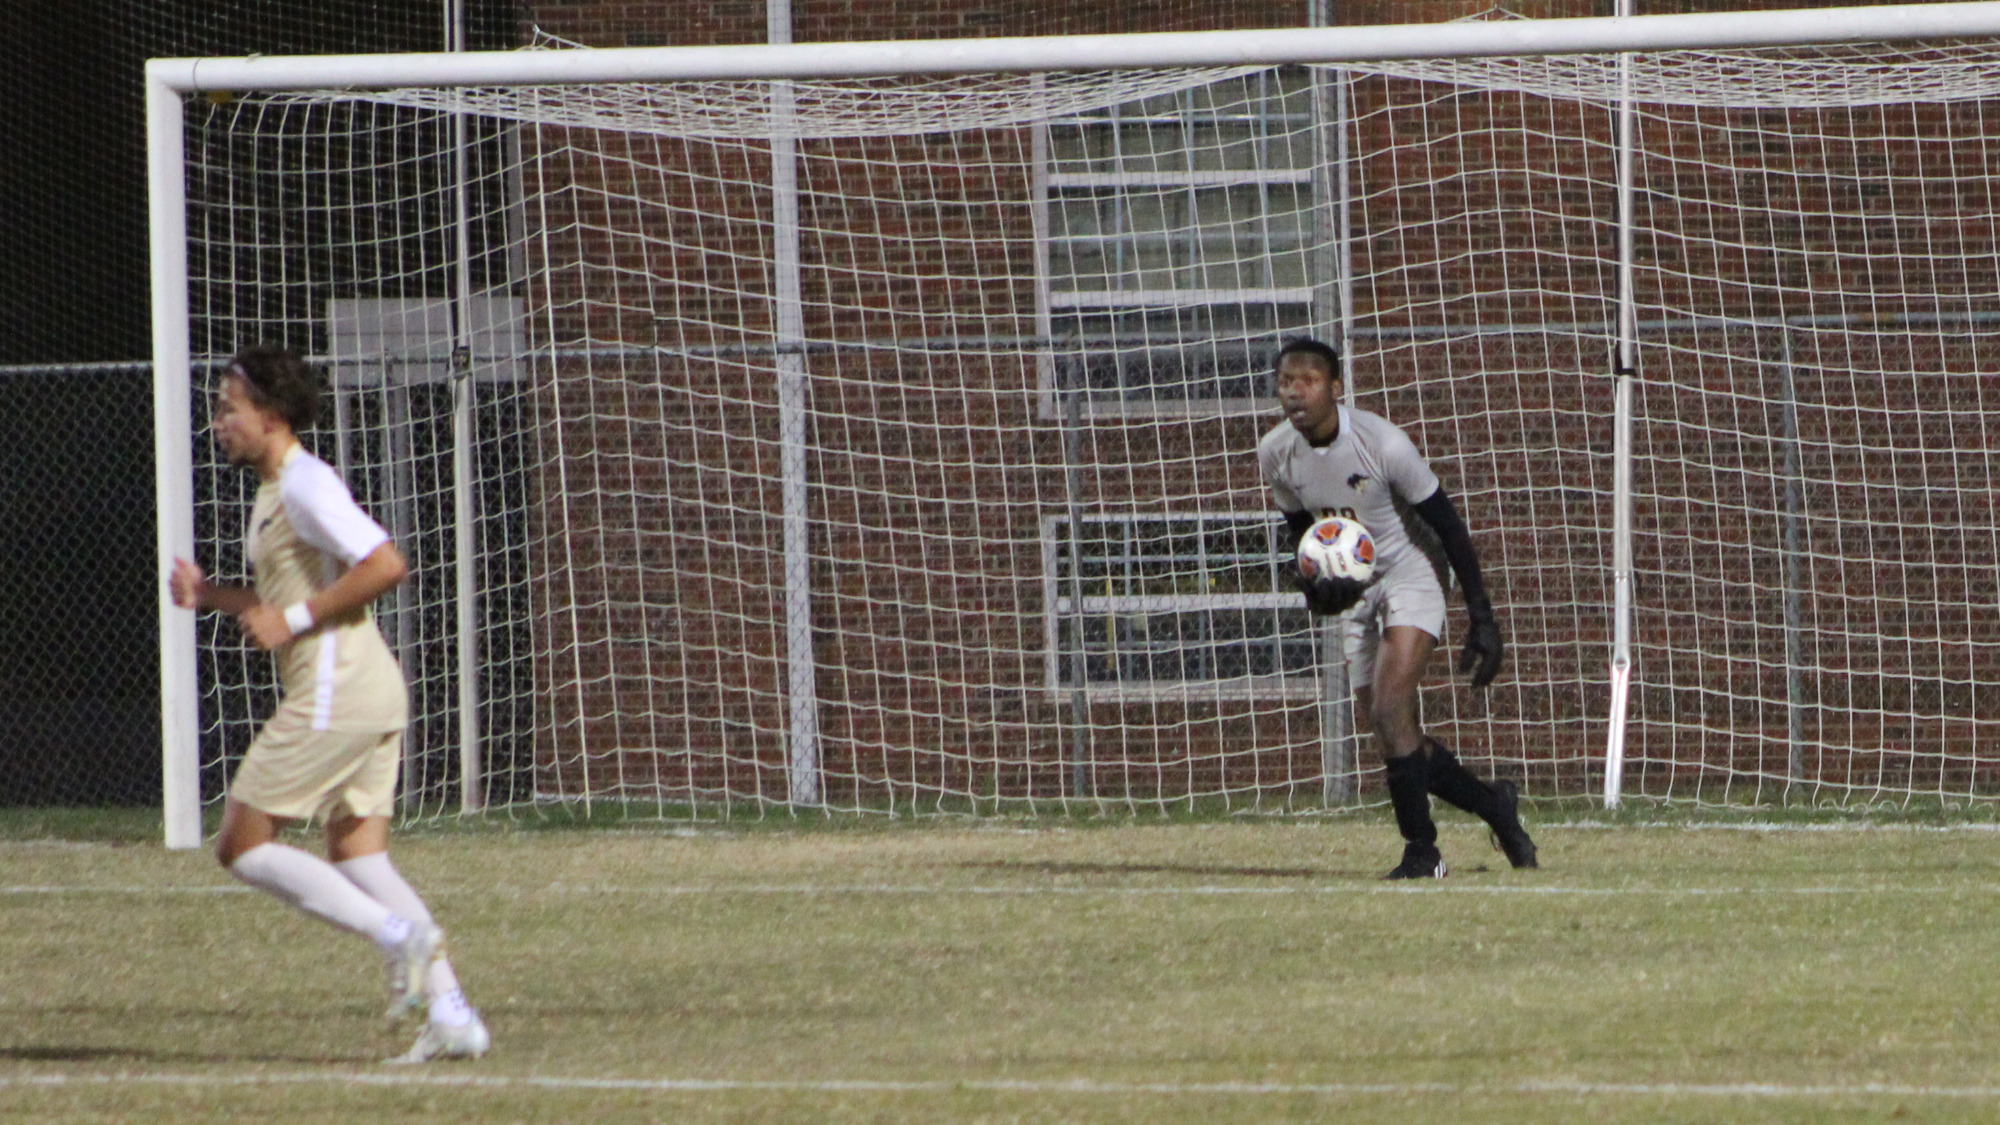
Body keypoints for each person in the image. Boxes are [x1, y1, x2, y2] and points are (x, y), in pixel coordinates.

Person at [169, 344, 490, 1062]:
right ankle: (454, 1017)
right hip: (368, 688)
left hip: (336, 691)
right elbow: (283, 597)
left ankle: (398, 937)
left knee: (241, 843)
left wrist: (294, 621)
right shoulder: (278, 488)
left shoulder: (305, 485)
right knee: (358, 854)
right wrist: (212, 596)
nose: (218, 422)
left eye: (229, 408)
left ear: (271, 415)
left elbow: (386, 563)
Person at [1258, 337, 1536, 879]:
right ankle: (1495, 805)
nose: (1295, 392)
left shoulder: (1382, 443)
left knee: (1389, 707)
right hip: (1358, 587)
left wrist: (1482, 616)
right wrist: (1313, 583)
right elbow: (1302, 531)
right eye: (1286, 381)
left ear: (1335, 388)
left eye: (1308, 381)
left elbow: (1448, 524)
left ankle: (1422, 852)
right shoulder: (1276, 452)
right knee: (1392, 730)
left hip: (1412, 571)